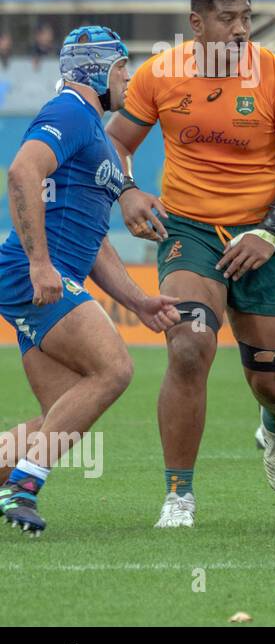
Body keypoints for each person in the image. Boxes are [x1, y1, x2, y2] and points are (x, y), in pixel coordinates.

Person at [106, 0, 275, 525]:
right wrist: (128, 190)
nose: (239, 30)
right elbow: (114, 141)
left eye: (246, 18)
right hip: (191, 233)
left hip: (265, 235)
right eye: (227, 19)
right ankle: (178, 495)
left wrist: (269, 231)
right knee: (188, 346)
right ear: (197, 25)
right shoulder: (161, 74)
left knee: (274, 384)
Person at [0, 27, 180, 535]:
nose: (128, 77)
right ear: (98, 69)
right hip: (32, 275)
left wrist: (140, 300)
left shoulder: (94, 129)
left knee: (58, 415)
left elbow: (95, 242)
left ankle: (14, 474)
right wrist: (40, 262)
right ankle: (25, 485)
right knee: (115, 369)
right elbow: (21, 172)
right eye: (122, 67)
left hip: (40, 279)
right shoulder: (71, 111)